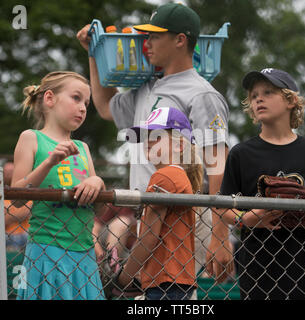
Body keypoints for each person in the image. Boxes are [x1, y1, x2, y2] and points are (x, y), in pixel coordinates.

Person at [76, 2, 233, 290]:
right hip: (150, 211)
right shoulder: (146, 87)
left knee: (174, 292)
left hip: (185, 213)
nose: (146, 43)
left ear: (180, 40)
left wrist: (220, 232)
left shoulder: (202, 93)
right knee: (155, 293)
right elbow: (106, 107)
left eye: (155, 36)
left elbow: (218, 165)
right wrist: (93, 55)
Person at [219, 68, 305, 300]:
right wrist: (245, 219)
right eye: (254, 95)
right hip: (259, 260)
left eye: (268, 92)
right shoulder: (242, 154)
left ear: (290, 101)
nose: (259, 98)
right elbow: (222, 207)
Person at [12, 71, 106, 300]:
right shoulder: (31, 138)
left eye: (86, 102)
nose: (83, 108)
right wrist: (50, 161)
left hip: (83, 253)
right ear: (50, 98)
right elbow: (16, 198)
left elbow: (99, 206)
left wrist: (97, 181)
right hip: (46, 250)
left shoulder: (82, 148)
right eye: (76, 98)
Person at [113, 107, 203, 300]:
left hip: (165, 281)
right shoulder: (178, 175)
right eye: (147, 136)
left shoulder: (164, 176)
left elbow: (148, 237)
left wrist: (123, 278)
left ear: (180, 145)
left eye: (157, 136)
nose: (148, 142)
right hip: (174, 279)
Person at [0, 161, 31, 251]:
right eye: (6, 172)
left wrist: (7, 212)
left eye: (12, 171)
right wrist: (21, 212)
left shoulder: (26, 192)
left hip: (26, 234)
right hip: (5, 235)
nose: (9, 174)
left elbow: (30, 210)